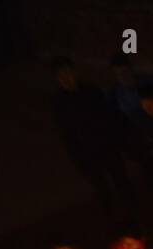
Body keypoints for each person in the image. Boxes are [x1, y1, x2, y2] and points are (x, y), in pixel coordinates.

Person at [50, 57, 133, 216]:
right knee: (102, 188)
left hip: (107, 146)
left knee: (122, 182)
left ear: (75, 72)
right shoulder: (59, 104)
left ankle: (132, 212)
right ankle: (113, 218)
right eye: (61, 76)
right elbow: (66, 135)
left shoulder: (91, 91)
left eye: (68, 73)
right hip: (87, 153)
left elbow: (108, 116)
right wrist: (78, 159)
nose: (66, 78)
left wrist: (117, 140)